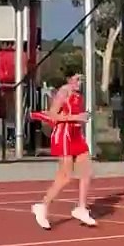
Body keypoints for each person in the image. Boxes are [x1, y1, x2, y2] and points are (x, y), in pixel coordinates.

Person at [30, 67, 97, 230]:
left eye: (81, 79)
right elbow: (52, 114)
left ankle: (81, 207)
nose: (80, 83)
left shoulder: (78, 96)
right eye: (77, 79)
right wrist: (76, 117)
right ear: (69, 79)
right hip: (64, 135)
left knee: (86, 171)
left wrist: (82, 119)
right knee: (65, 176)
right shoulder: (63, 92)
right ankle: (43, 205)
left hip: (76, 134)